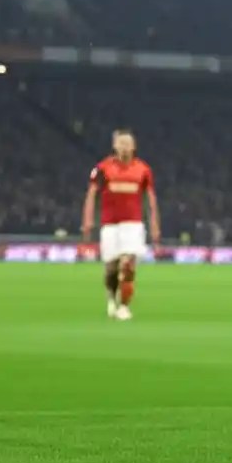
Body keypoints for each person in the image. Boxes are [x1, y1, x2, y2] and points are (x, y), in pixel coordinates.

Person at [81, 128, 160, 321]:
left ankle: (124, 306)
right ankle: (111, 297)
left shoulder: (143, 170)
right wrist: (88, 220)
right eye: (121, 143)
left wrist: (155, 224)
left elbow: (150, 199)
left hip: (133, 225)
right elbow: (91, 194)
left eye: (128, 144)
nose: (124, 147)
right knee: (111, 268)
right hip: (110, 225)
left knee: (128, 265)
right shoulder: (102, 168)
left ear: (134, 147)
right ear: (114, 146)